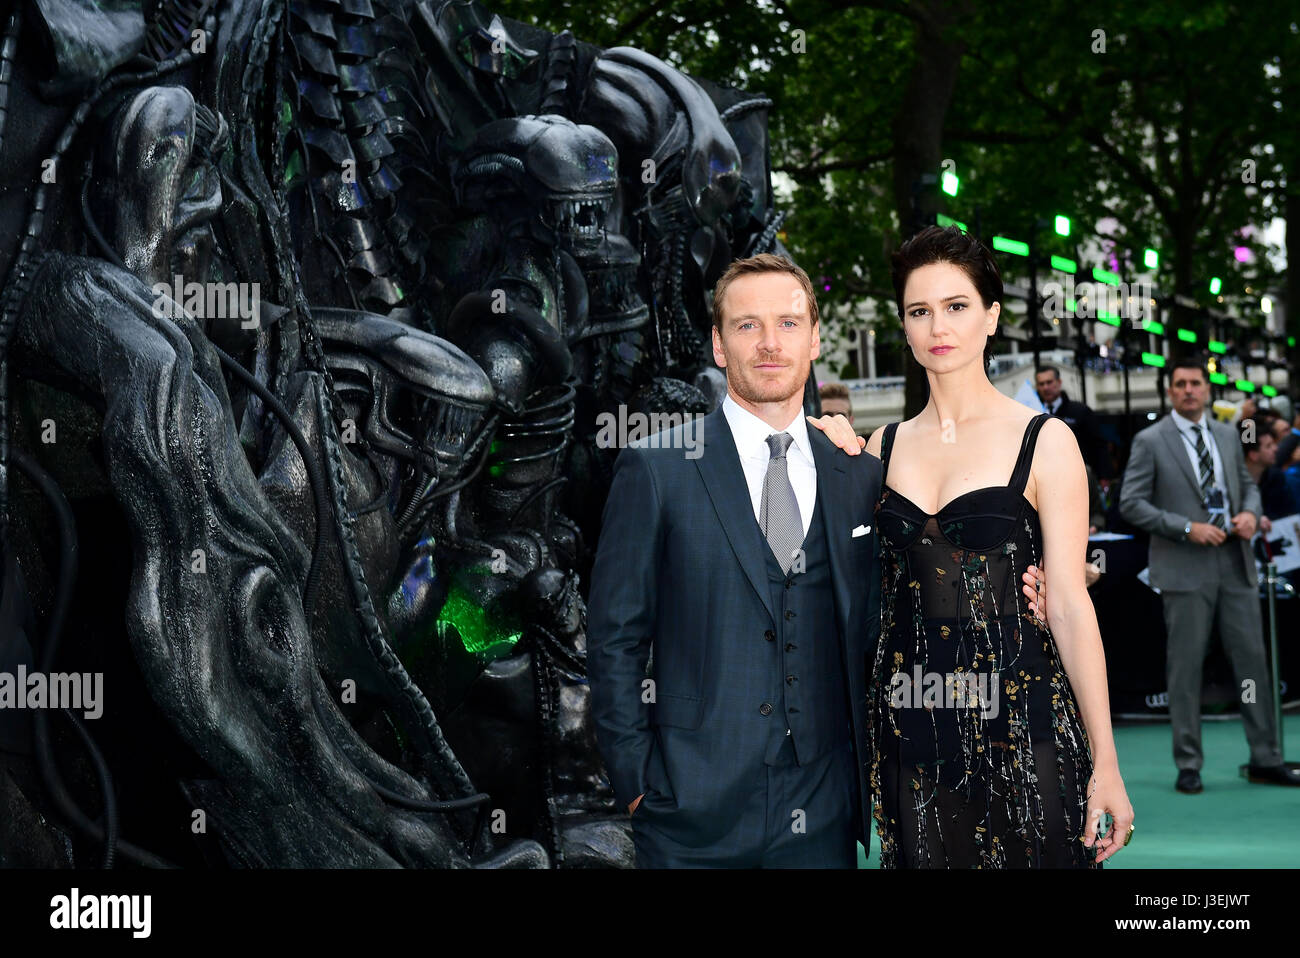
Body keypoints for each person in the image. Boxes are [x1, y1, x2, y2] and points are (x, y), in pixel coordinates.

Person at [586, 252, 1047, 868]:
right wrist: (636, 783)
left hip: (824, 805)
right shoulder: (657, 467)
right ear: (719, 346)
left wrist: (1035, 586)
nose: (769, 343)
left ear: (815, 338)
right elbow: (613, 635)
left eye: (788, 323)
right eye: (747, 325)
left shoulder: (857, 472)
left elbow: (911, 589)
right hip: (687, 806)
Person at [812, 225, 1132, 867]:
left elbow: (1068, 606)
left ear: (991, 317)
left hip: (1022, 718)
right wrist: (826, 458)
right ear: (903, 326)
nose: (938, 326)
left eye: (956, 306)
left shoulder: (1046, 442)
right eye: (919, 311)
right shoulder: (879, 449)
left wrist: (1107, 762)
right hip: (910, 725)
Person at [1119, 357, 1300, 792]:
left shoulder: (1227, 435)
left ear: (1207, 389)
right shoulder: (1150, 440)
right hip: (1184, 567)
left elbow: (1249, 485)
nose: (1188, 390)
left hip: (1235, 562)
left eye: (1195, 383)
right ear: (1169, 391)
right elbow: (1131, 502)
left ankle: (1265, 756)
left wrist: (1250, 515)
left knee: (1252, 667)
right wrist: (1185, 528)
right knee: (1186, 670)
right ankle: (1188, 763)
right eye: (1180, 384)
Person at [1035, 365, 1108, 478]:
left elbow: (1098, 445)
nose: (1045, 387)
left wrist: (1104, 476)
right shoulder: (1033, 413)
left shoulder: (1080, 411)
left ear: (1059, 382)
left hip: (1079, 475)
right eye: (1041, 384)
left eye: (1049, 382)